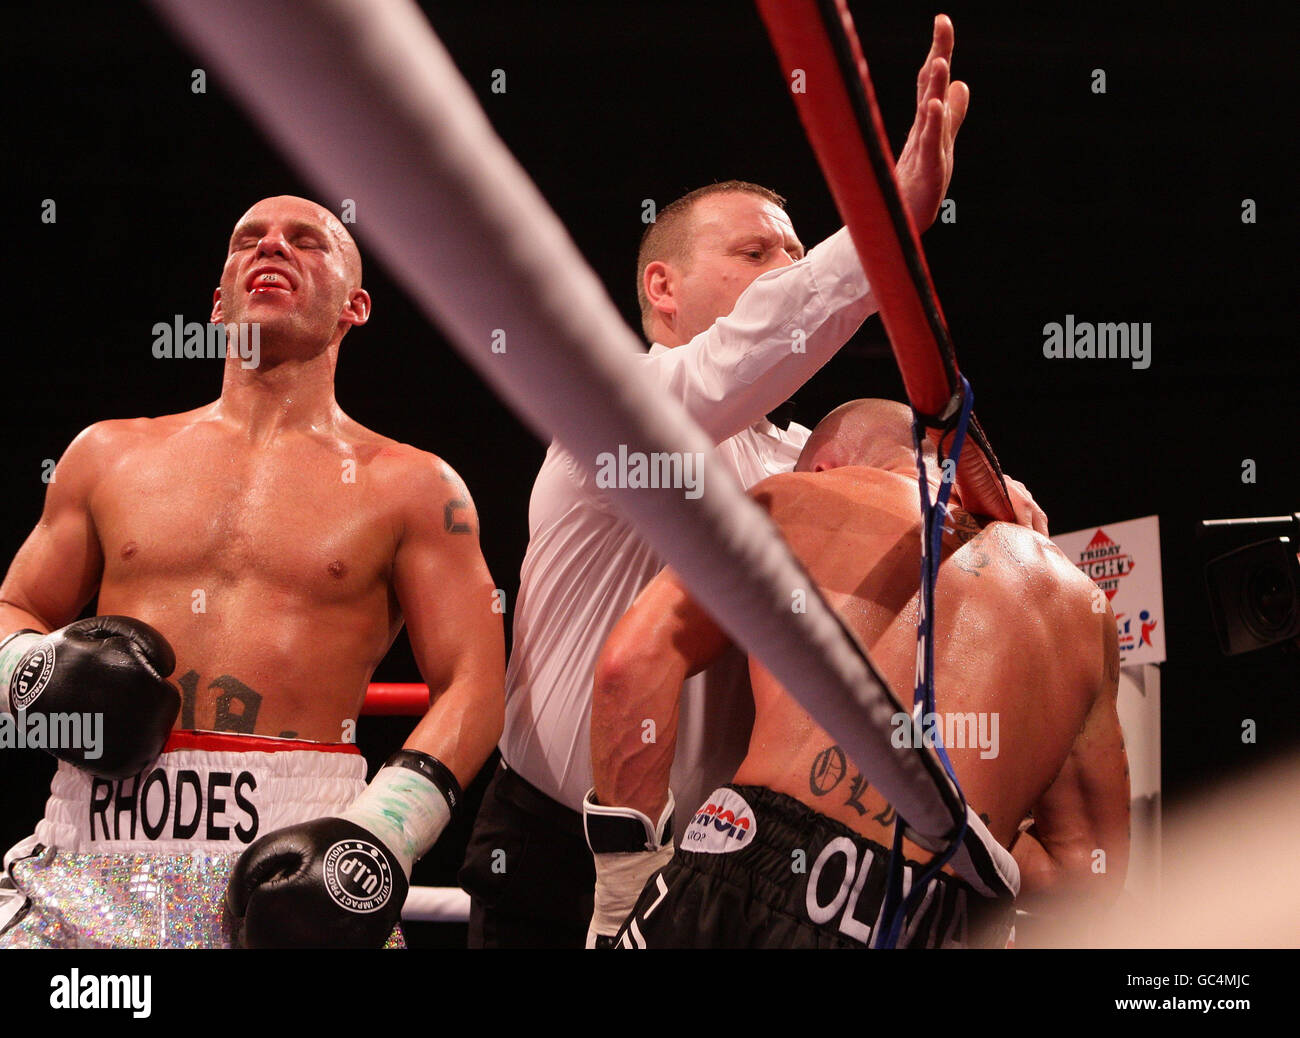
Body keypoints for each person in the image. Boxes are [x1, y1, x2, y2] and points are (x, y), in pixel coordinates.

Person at [460, 14, 1046, 947]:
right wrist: (885, 231)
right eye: (757, 253)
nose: (789, 267)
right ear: (662, 288)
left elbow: (934, 533)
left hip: (717, 857)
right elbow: (755, 346)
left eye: (793, 250)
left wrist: (996, 515)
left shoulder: (794, 461)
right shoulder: (604, 416)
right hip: (554, 847)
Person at [0, 195, 505, 948]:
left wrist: (382, 838)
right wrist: (33, 670)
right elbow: (15, 605)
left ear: (355, 306)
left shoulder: (414, 485)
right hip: (88, 857)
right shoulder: (107, 454)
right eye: (248, 239)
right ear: (217, 303)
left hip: (300, 855)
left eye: (307, 241)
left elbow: (477, 682)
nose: (271, 247)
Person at [586, 399, 1129, 948]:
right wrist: (970, 825)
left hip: (746, 857)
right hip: (931, 915)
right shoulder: (1085, 610)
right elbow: (1087, 878)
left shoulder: (799, 498)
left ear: (823, 465)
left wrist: (621, 886)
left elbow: (626, 666)